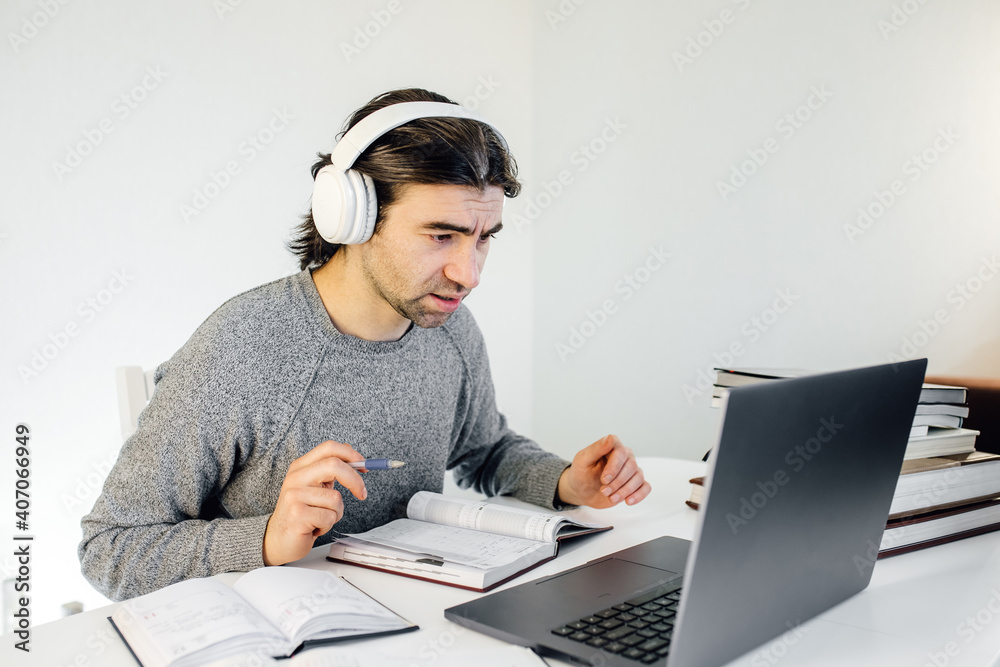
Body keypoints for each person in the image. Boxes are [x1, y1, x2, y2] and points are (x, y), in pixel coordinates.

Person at [79, 88, 650, 601]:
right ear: (353, 217)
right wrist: (266, 538)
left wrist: (563, 482)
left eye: (483, 239)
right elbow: (110, 550)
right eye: (441, 235)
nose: (469, 273)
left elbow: (486, 451)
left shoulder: (448, 328)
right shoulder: (241, 349)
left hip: (413, 619)